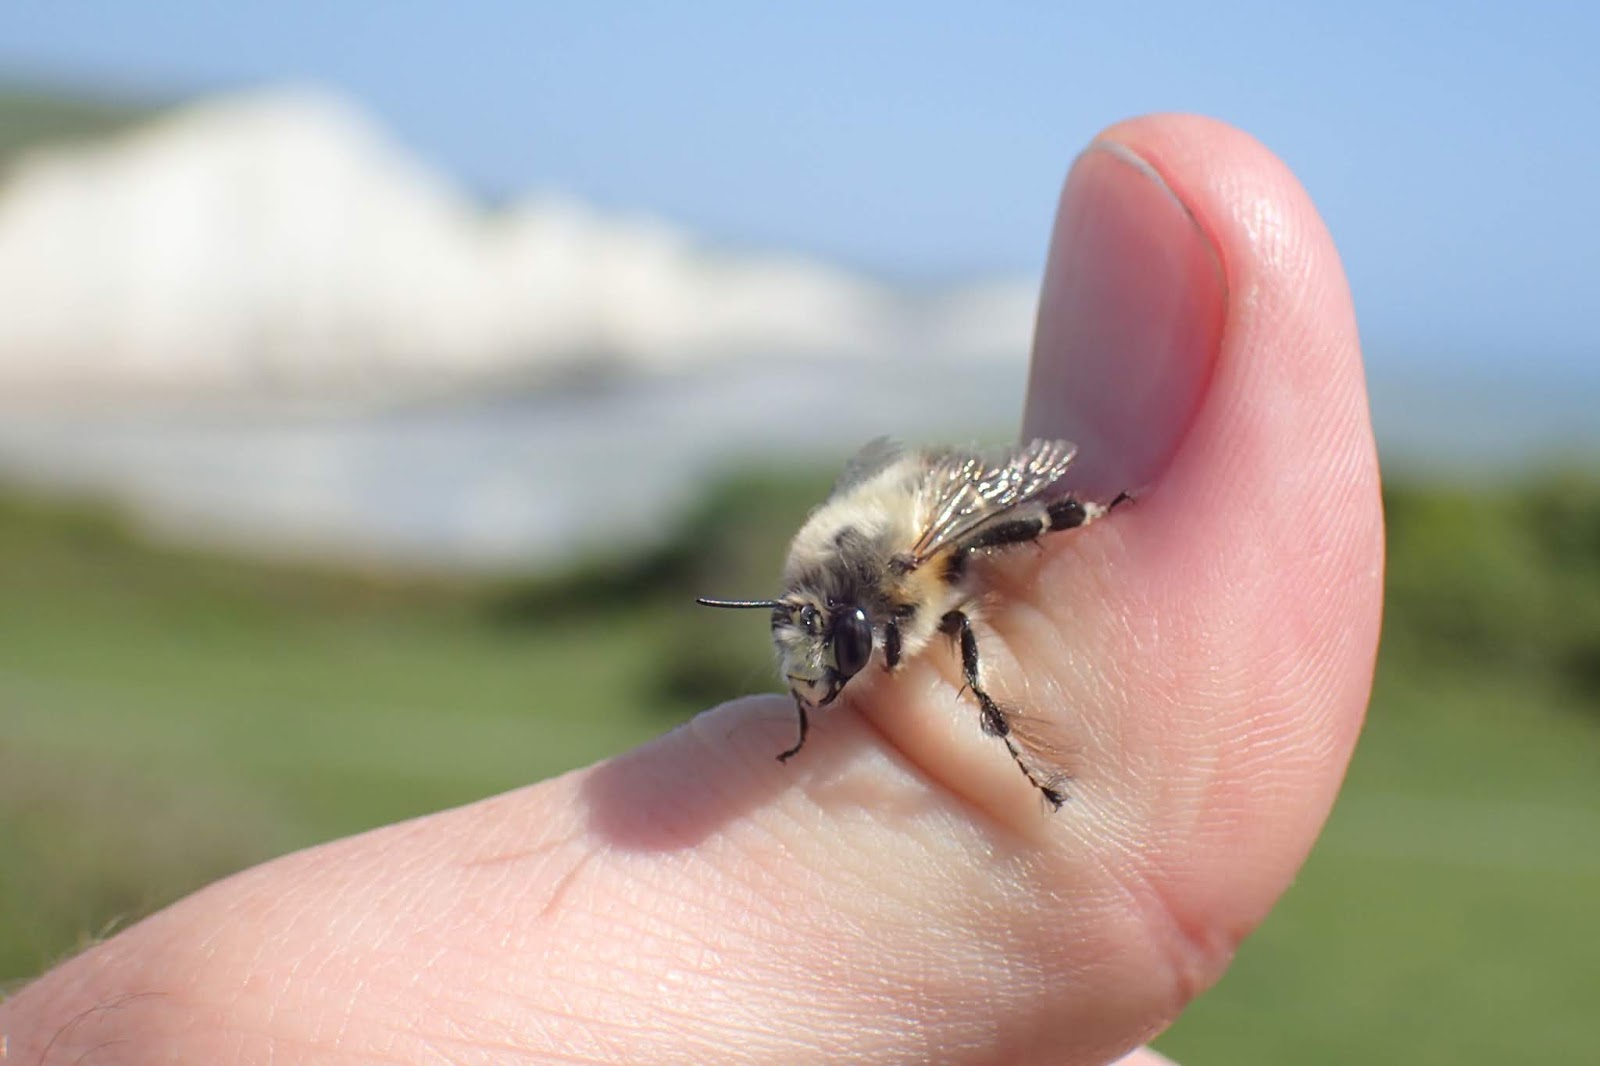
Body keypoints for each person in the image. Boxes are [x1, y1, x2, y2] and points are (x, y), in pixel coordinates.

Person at [0, 113, 1382, 1065]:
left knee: (1013, 542)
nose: (819, 666)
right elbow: (828, 592)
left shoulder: (905, 576)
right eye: (810, 654)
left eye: (827, 657)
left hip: (938, 504)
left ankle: (1108, 513)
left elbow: (913, 569)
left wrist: (1009, 727)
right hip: (879, 509)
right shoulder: (824, 591)